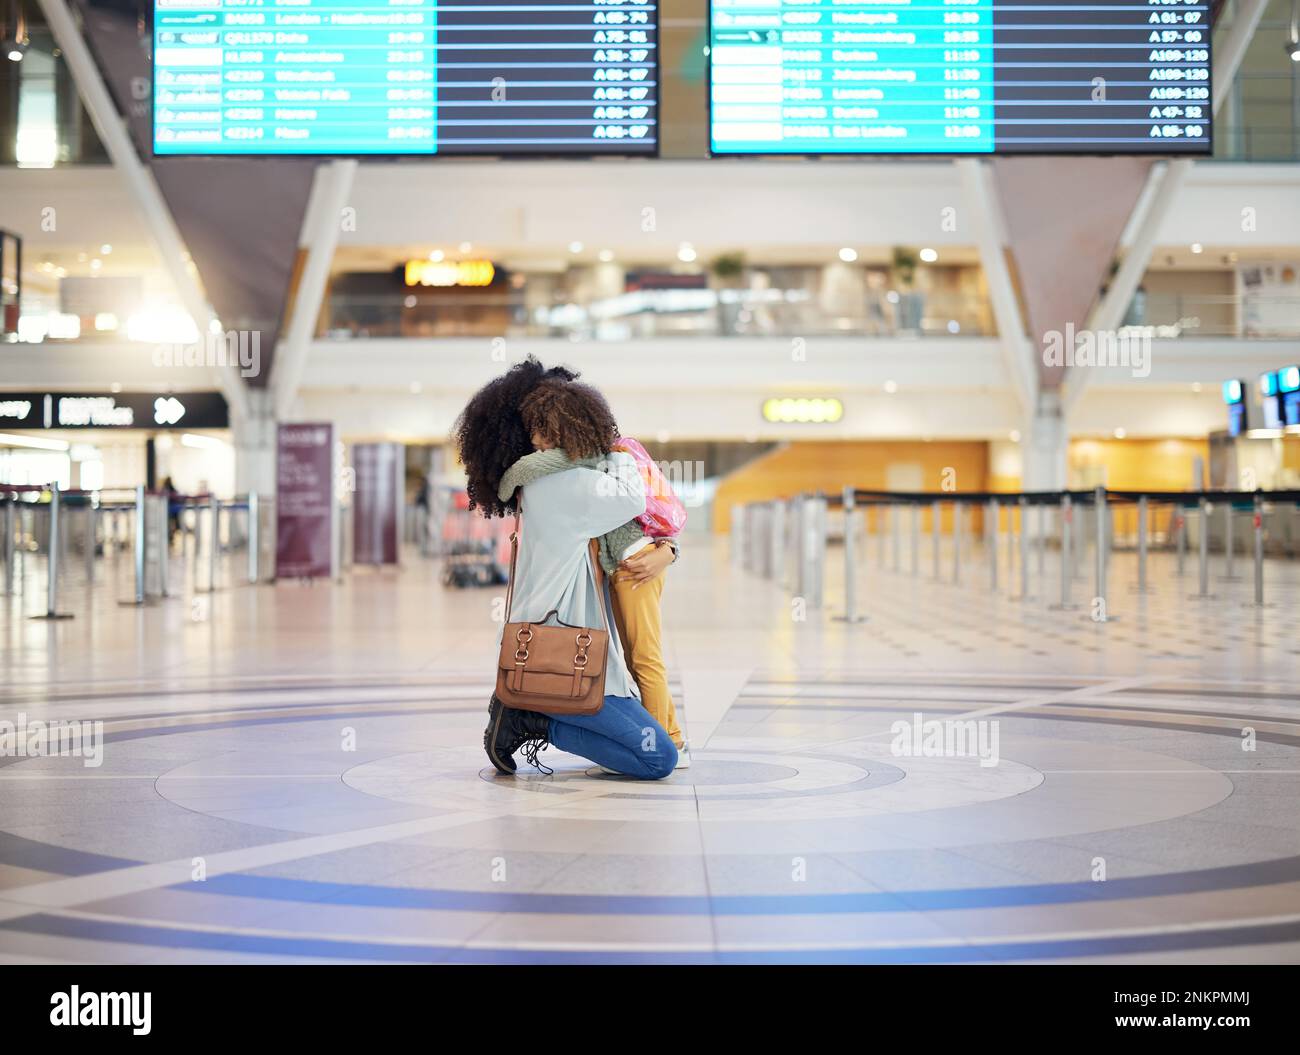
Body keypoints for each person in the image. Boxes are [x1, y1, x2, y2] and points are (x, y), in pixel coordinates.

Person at [454, 361, 677, 779]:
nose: (535, 441)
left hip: (543, 646)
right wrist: (615, 450)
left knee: (649, 748)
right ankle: (532, 721)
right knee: (657, 758)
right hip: (569, 659)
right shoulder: (566, 484)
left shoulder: (539, 483)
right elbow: (633, 498)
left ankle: (528, 715)